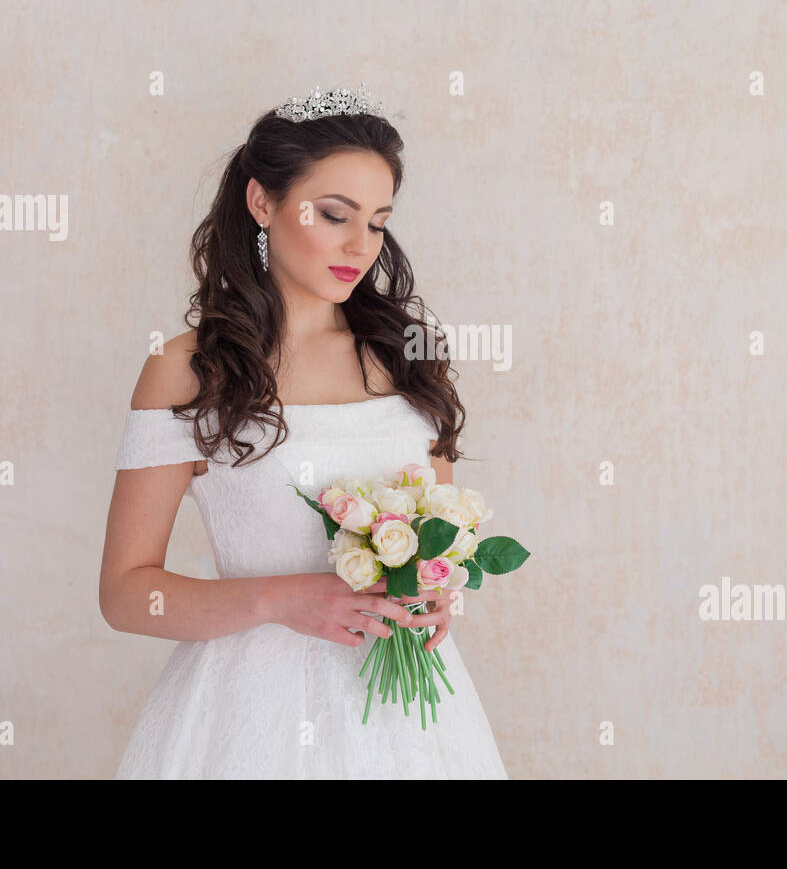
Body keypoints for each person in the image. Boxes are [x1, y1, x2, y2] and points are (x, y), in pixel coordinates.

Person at [99, 85, 509, 778]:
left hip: (407, 728)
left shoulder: (412, 357)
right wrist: (276, 599)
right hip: (249, 717)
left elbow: (442, 534)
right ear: (263, 203)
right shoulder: (186, 369)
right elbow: (125, 594)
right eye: (335, 214)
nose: (360, 244)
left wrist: (436, 593)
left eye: (379, 222)